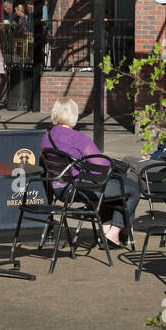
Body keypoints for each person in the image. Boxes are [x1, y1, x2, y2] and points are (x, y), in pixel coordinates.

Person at [41, 97, 140, 248]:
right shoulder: (78, 138)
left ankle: (106, 232)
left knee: (115, 188)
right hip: (80, 189)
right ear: (74, 116)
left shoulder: (46, 137)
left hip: (59, 190)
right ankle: (115, 232)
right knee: (132, 189)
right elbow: (103, 164)